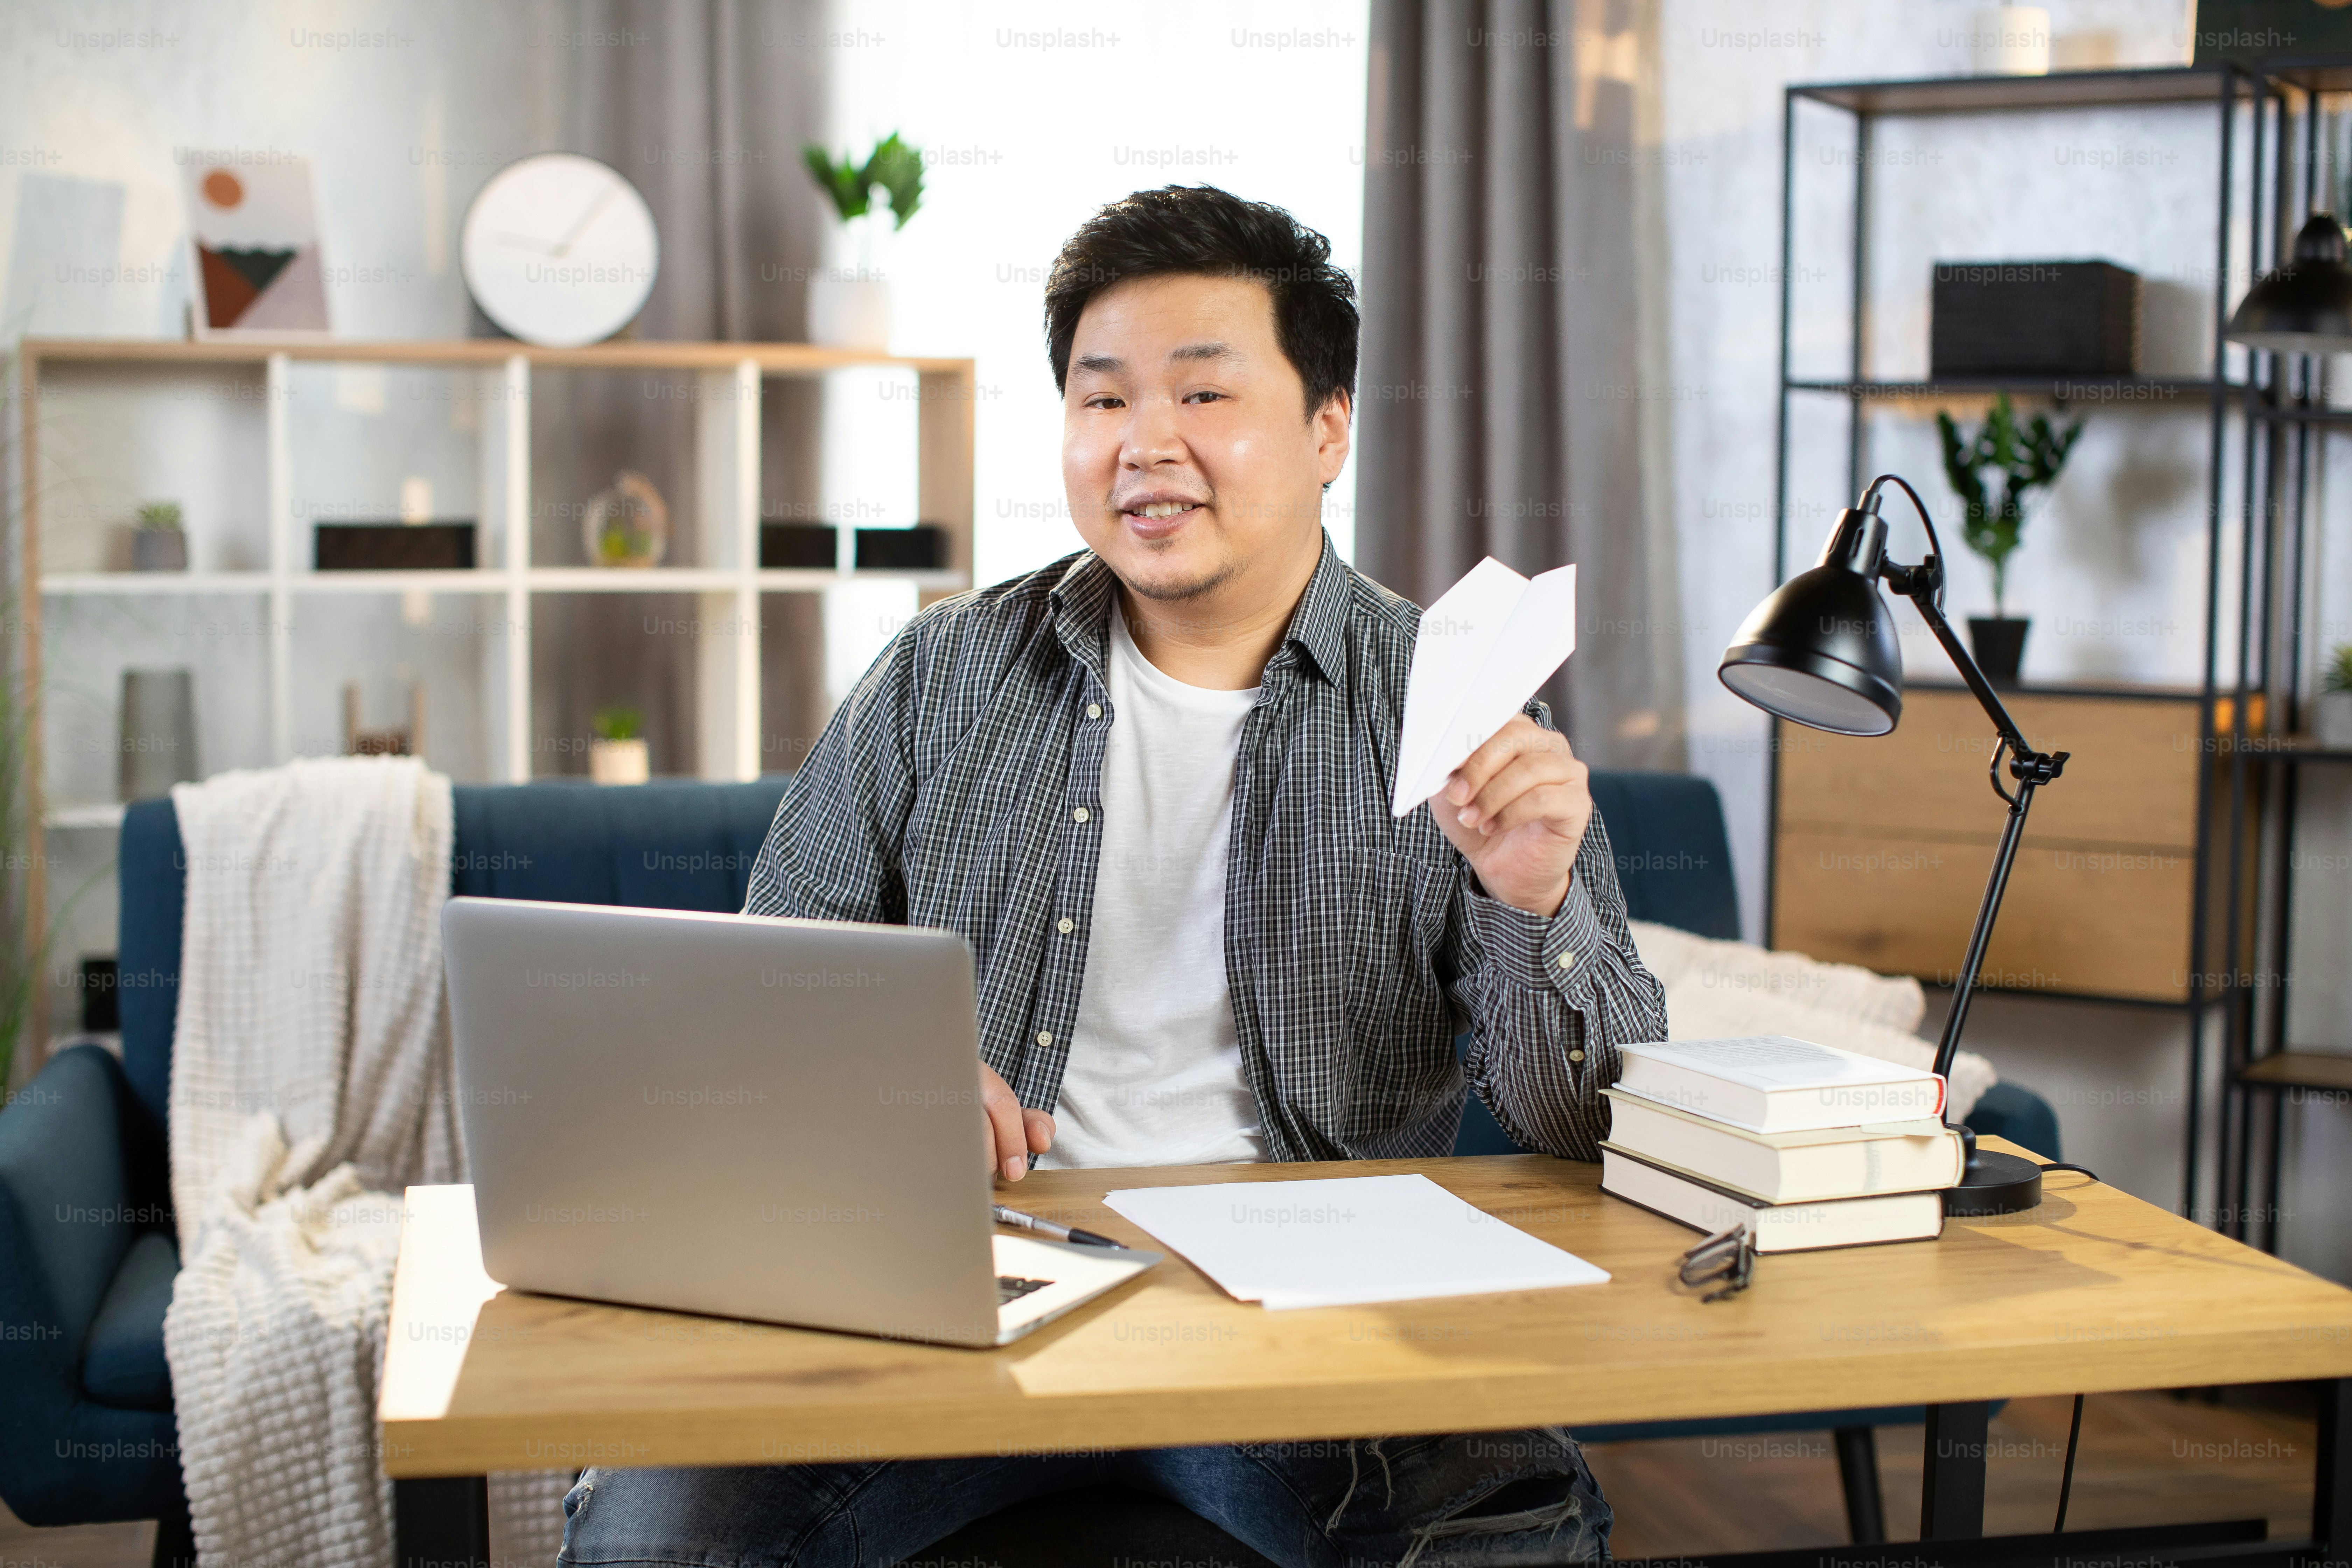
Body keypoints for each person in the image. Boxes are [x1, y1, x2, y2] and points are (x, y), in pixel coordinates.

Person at [558, 184, 1666, 1568]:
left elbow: (1586, 1121)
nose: (1147, 447)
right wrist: (876, 1081)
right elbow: (767, 993)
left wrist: (1533, 902)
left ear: (1328, 429)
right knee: (654, 1527)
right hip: (965, 1275)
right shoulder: (941, 676)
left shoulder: (1454, 703)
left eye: (1204, 396)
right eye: (1103, 402)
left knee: (1512, 1536)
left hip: (1303, 1313)